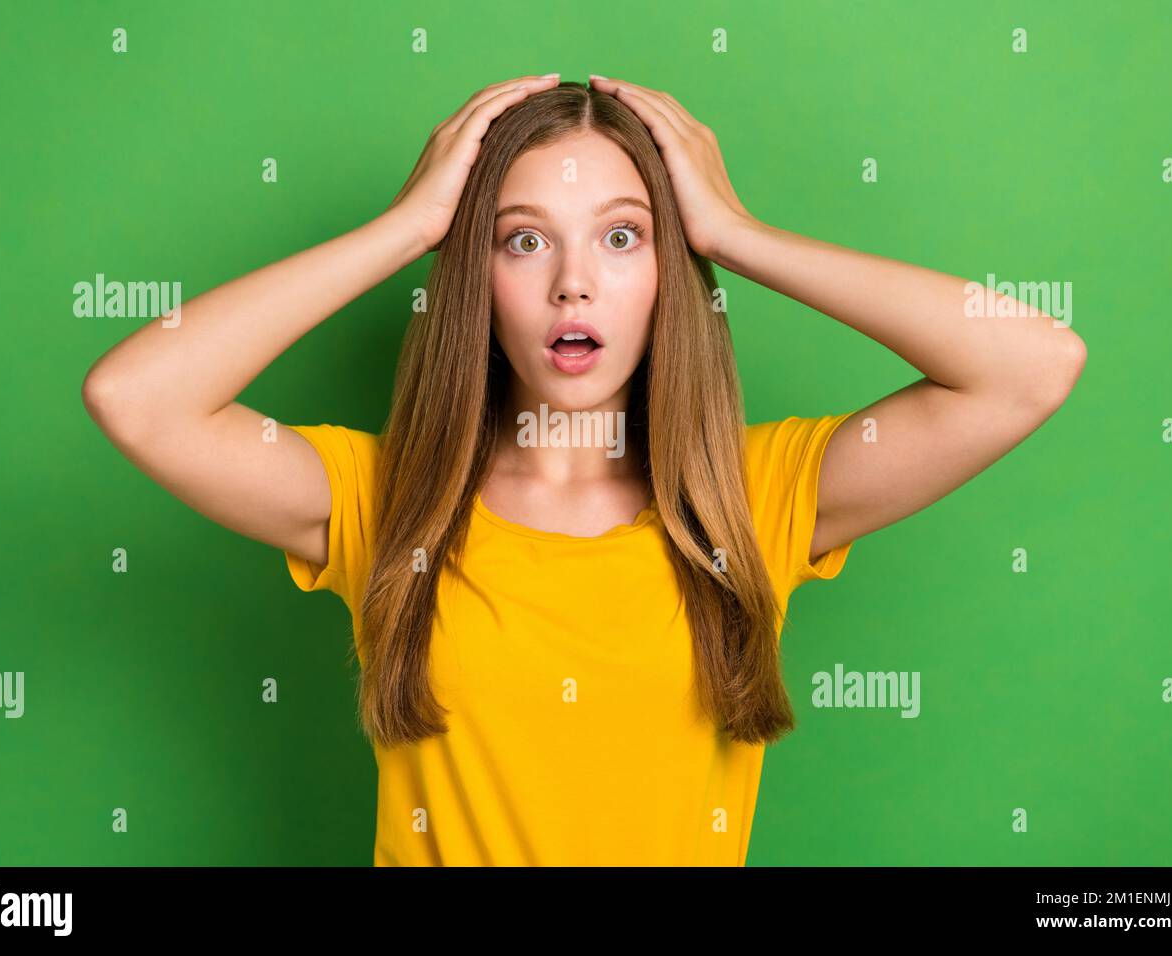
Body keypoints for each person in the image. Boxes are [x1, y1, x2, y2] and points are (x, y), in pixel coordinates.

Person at [81, 73, 1086, 866]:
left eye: (621, 235)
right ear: (478, 275)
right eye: (522, 240)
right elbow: (139, 397)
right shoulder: (384, 503)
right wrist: (409, 229)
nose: (574, 282)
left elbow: (1030, 365)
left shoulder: (753, 499)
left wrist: (735, 233)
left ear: (668, 269)